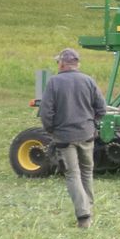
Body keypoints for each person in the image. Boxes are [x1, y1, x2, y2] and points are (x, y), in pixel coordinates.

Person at [39, 48, 107, 228]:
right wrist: (92, 124)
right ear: (77, 64)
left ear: (62, 63)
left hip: (64, 137)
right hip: (87, 135)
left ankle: (83, 215)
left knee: (72, 174)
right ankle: (88, 208)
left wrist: (51, 130)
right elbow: (102, 109)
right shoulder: (88, 81)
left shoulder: (53, 82)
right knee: (86, 172)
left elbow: (46, 112)